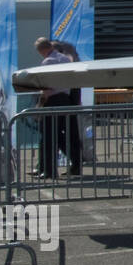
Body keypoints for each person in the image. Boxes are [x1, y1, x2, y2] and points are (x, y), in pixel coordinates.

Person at [33, 36, 81, 179]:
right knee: (63, 135)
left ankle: (48, 170)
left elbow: (46, 89)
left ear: (42, 50)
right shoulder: (66, 59)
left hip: (53, 101)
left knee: (48, 136)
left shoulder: (48, 62)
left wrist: (39, 105)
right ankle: (75, 163)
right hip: (66, 100)